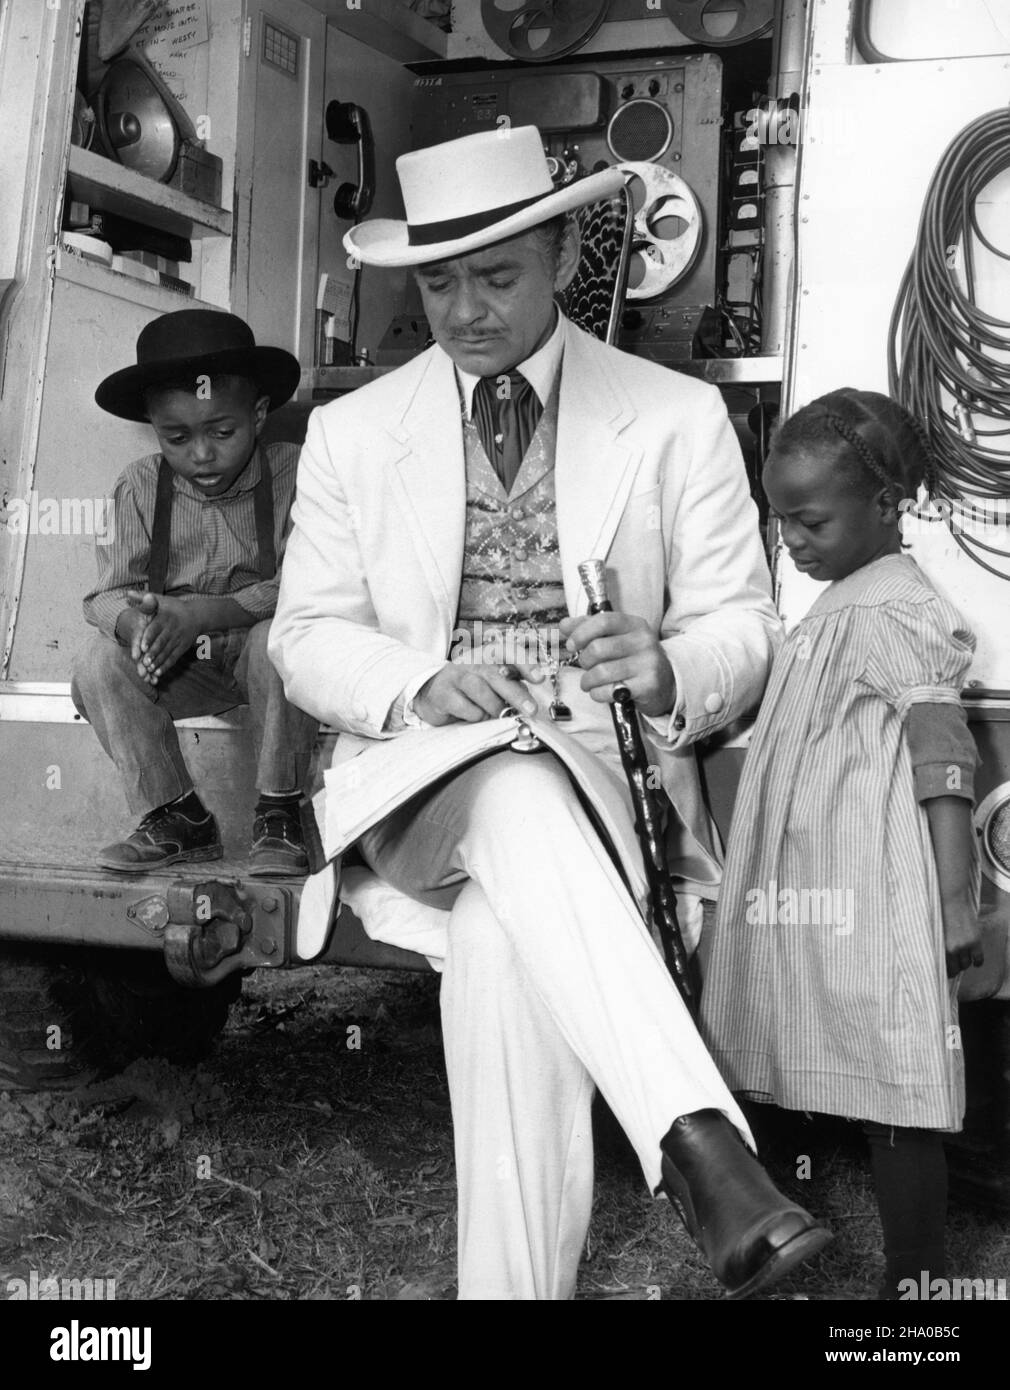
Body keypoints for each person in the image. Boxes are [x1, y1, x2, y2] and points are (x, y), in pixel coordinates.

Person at [269, 125, 830, 1300]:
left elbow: (745, 625)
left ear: (564, 248)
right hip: (422, 783)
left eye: (496, 276)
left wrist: (668, 666)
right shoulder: (350, 432)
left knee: (500, 950)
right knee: (511, 788)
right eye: (437, 282)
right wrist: (417, 684)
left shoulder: (675, 418)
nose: (464, 310)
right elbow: (306, 637)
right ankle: (700, 1144)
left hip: (607, 787)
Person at [700, 388, 985, 1300]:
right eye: (781, 521)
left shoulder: (898, 607)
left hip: (878, 883)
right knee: (795, 1034)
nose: (794, 540)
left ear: (888, 505)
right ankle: (769, 1227)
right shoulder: (834, 602)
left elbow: (944, 760)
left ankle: (919, 1283)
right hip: (815, 883)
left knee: (898, 1076)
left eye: (812, 520)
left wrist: (951, 902)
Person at [73, 310, 319, 876]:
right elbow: (103, 595)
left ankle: (280, 812)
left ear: (258, 415)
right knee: (98, 661)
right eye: (177, 437)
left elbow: (311, 585)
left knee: (280, 636)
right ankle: (176, 817)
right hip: (184, 667)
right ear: (154, 429)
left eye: (221, 432)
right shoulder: (138, 484)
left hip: (266, 659)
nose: (201, 455)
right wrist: (139, 624)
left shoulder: (298, 472)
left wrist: (207, 612)